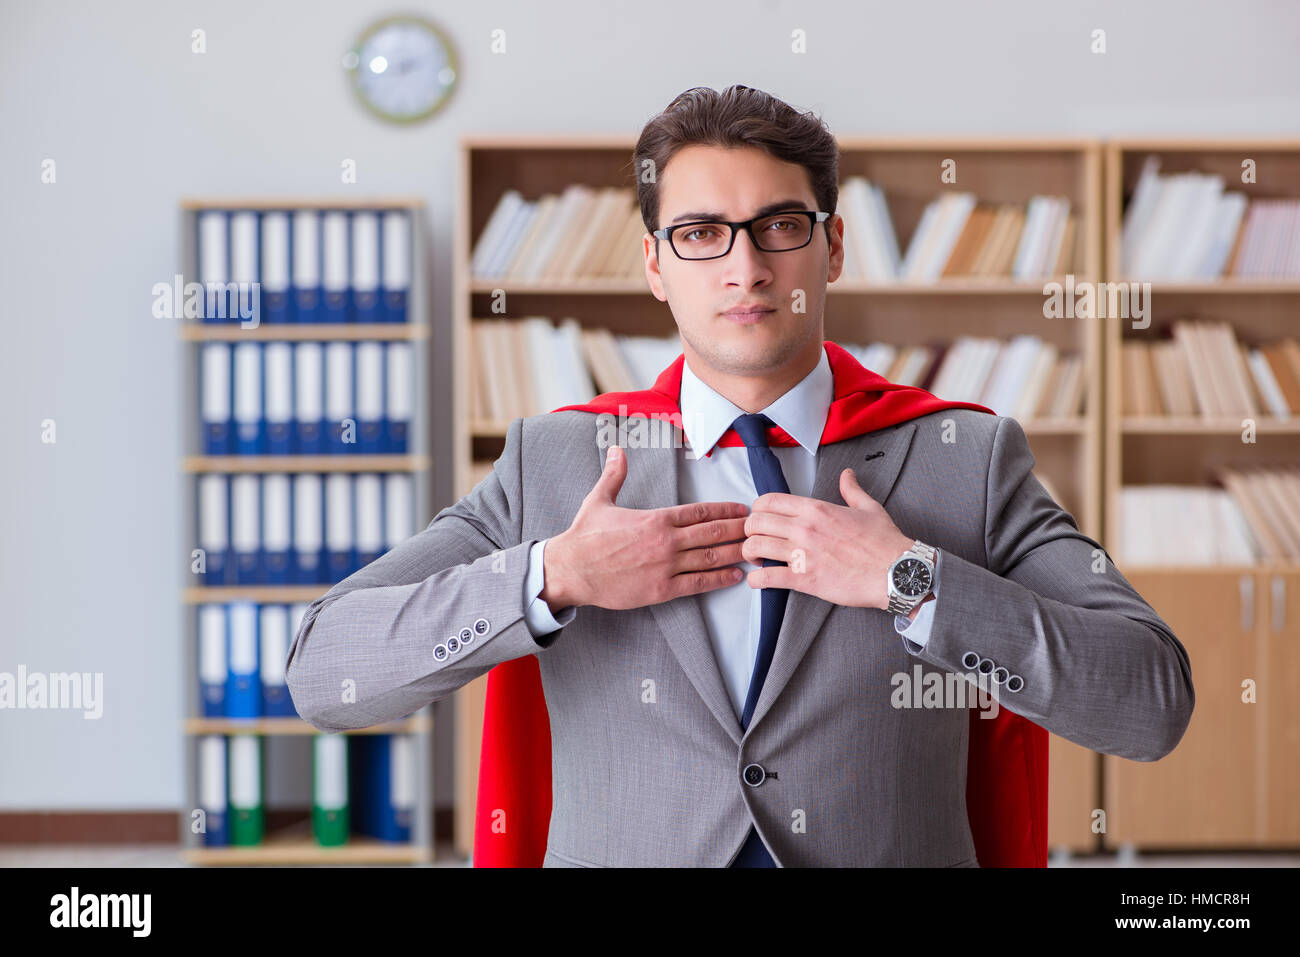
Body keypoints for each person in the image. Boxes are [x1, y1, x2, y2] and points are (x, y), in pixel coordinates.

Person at [285, 84, 1194, 867]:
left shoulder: (966, 458)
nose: (746, 268)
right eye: (700, 233)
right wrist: (548, 577)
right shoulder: (552, 462)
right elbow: (325, 673)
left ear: (832, 248)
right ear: (653, 263)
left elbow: (1151, 704)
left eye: (780, 227)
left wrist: (908, 581)